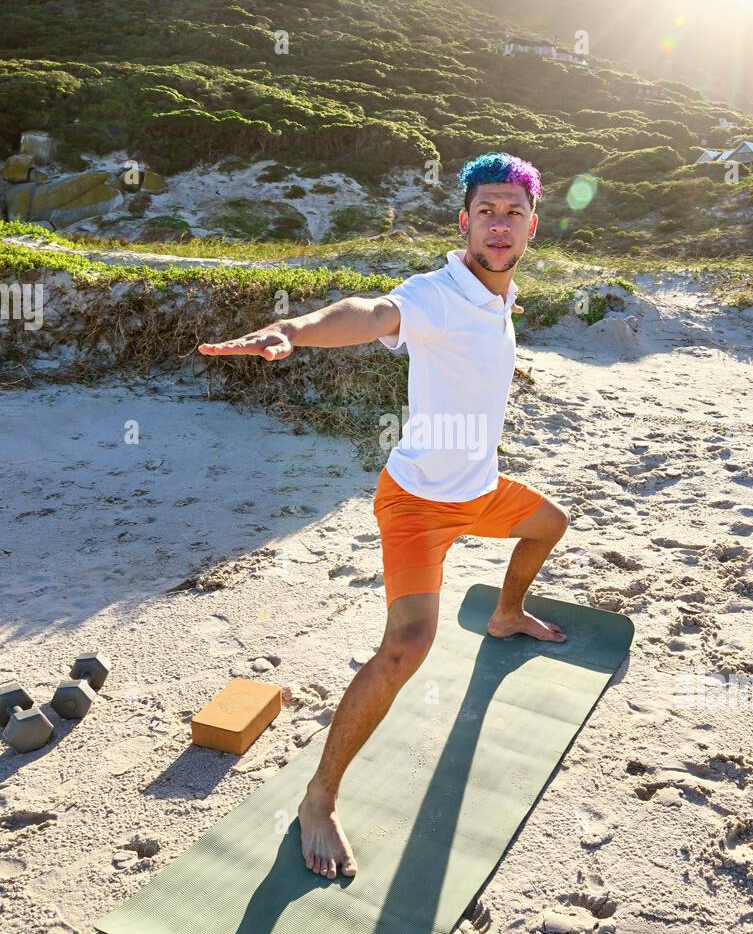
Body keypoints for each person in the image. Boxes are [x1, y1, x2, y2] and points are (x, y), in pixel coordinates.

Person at [198, 152, 570, 880]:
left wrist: (504, 305)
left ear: (532, 226)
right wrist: (296, 330)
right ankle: (319, 798)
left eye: (513, 213)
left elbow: (485, 318)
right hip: (418, 503)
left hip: (479, 489)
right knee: (407, 647)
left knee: (549, 523)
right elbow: (371, 315)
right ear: (464, 222)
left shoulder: (496, 293)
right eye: (486, 212)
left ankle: (505, 613)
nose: (500, 224)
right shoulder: (435, 292)